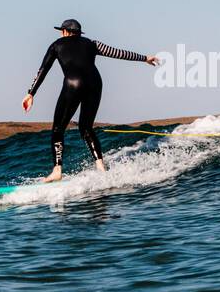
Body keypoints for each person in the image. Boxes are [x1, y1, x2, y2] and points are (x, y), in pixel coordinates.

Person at [21, 19, 158, 182]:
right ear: (79, 33)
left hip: (73, 84)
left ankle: (57, 170)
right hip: (95, 83)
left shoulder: (56, 45)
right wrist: (145, 58)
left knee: (58, 129)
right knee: (86, 127)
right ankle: (101, 168)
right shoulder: (92, 44)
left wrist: (31, 93)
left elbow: (43, 70)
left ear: (65, 31)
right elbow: (119, 53)